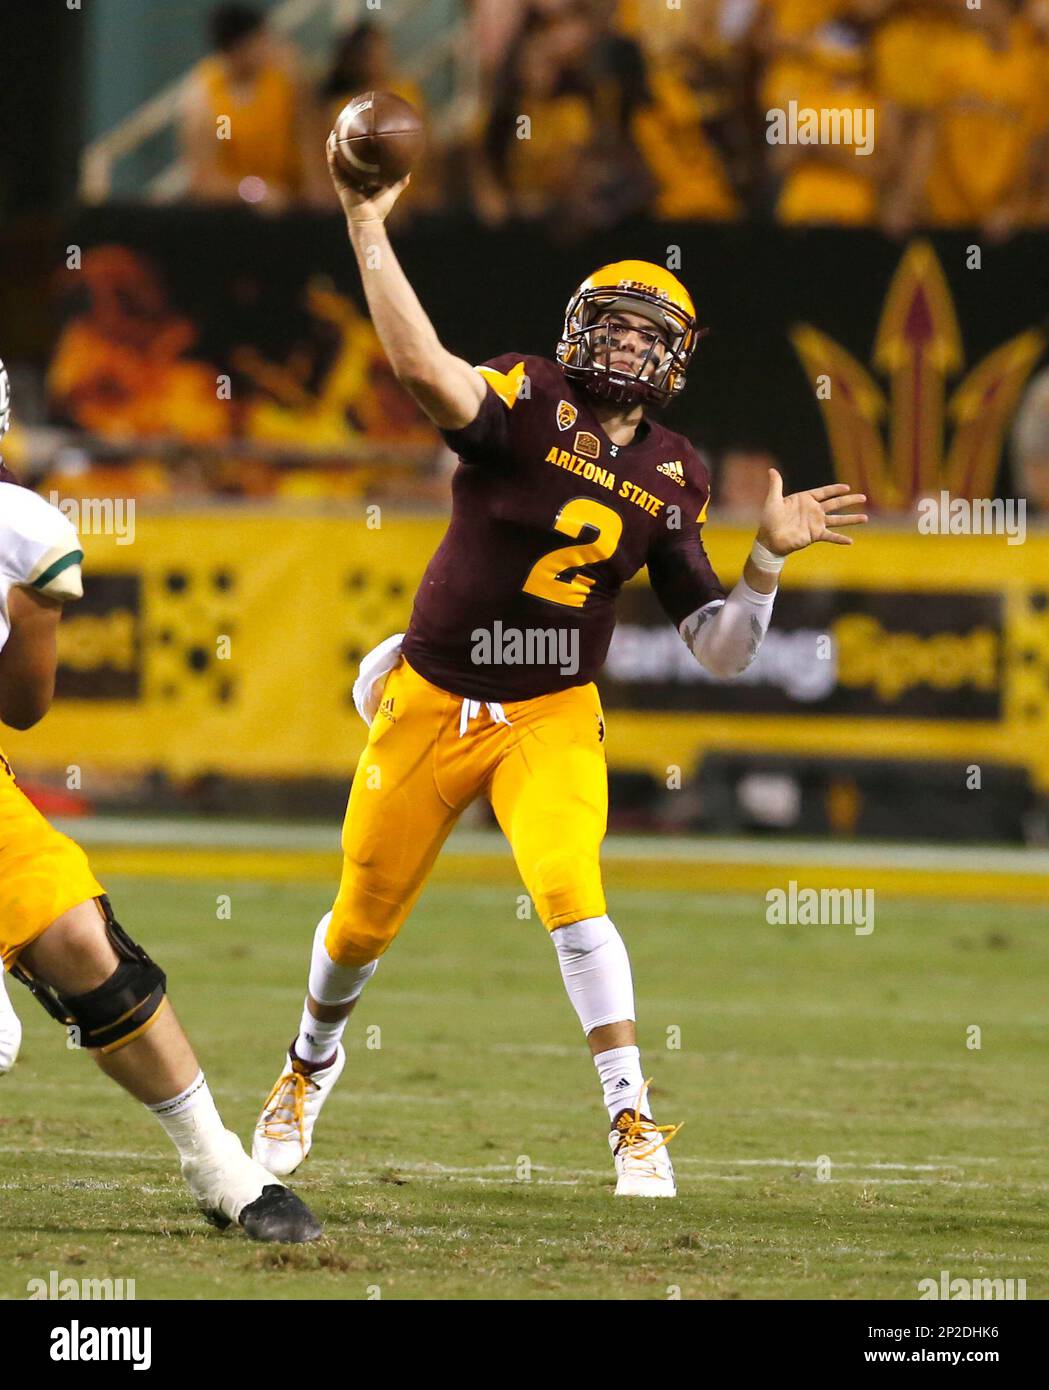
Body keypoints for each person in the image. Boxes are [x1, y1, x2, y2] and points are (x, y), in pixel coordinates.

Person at [252, 148, 867, 1197]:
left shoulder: (676, 470)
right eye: (613, 323)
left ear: (676, 358)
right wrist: (366, 229)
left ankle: (631, 1117)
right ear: (580, 329)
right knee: (360, 917)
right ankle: (308, 1064)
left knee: (571, 892)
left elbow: (718, 651)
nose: (626, 344)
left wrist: (764, 563)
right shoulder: (527, 394)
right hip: (433, 696)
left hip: (548, 709)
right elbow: (420, 368)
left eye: (646, 332)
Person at [0, 360, 320, 1241]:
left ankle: (221, 1167)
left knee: (80, 939)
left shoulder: (17, 528)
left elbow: (21, 706)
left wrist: (33, 614)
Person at [181, 3, 329, 211]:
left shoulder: (287, 78)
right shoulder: (202, 97)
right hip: (232, 213)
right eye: (261, 40)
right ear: (239, 48)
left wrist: (320, 204)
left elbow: (311, 145)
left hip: (292, 207)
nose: (268, 46)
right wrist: (254, 191)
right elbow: (203, 179)